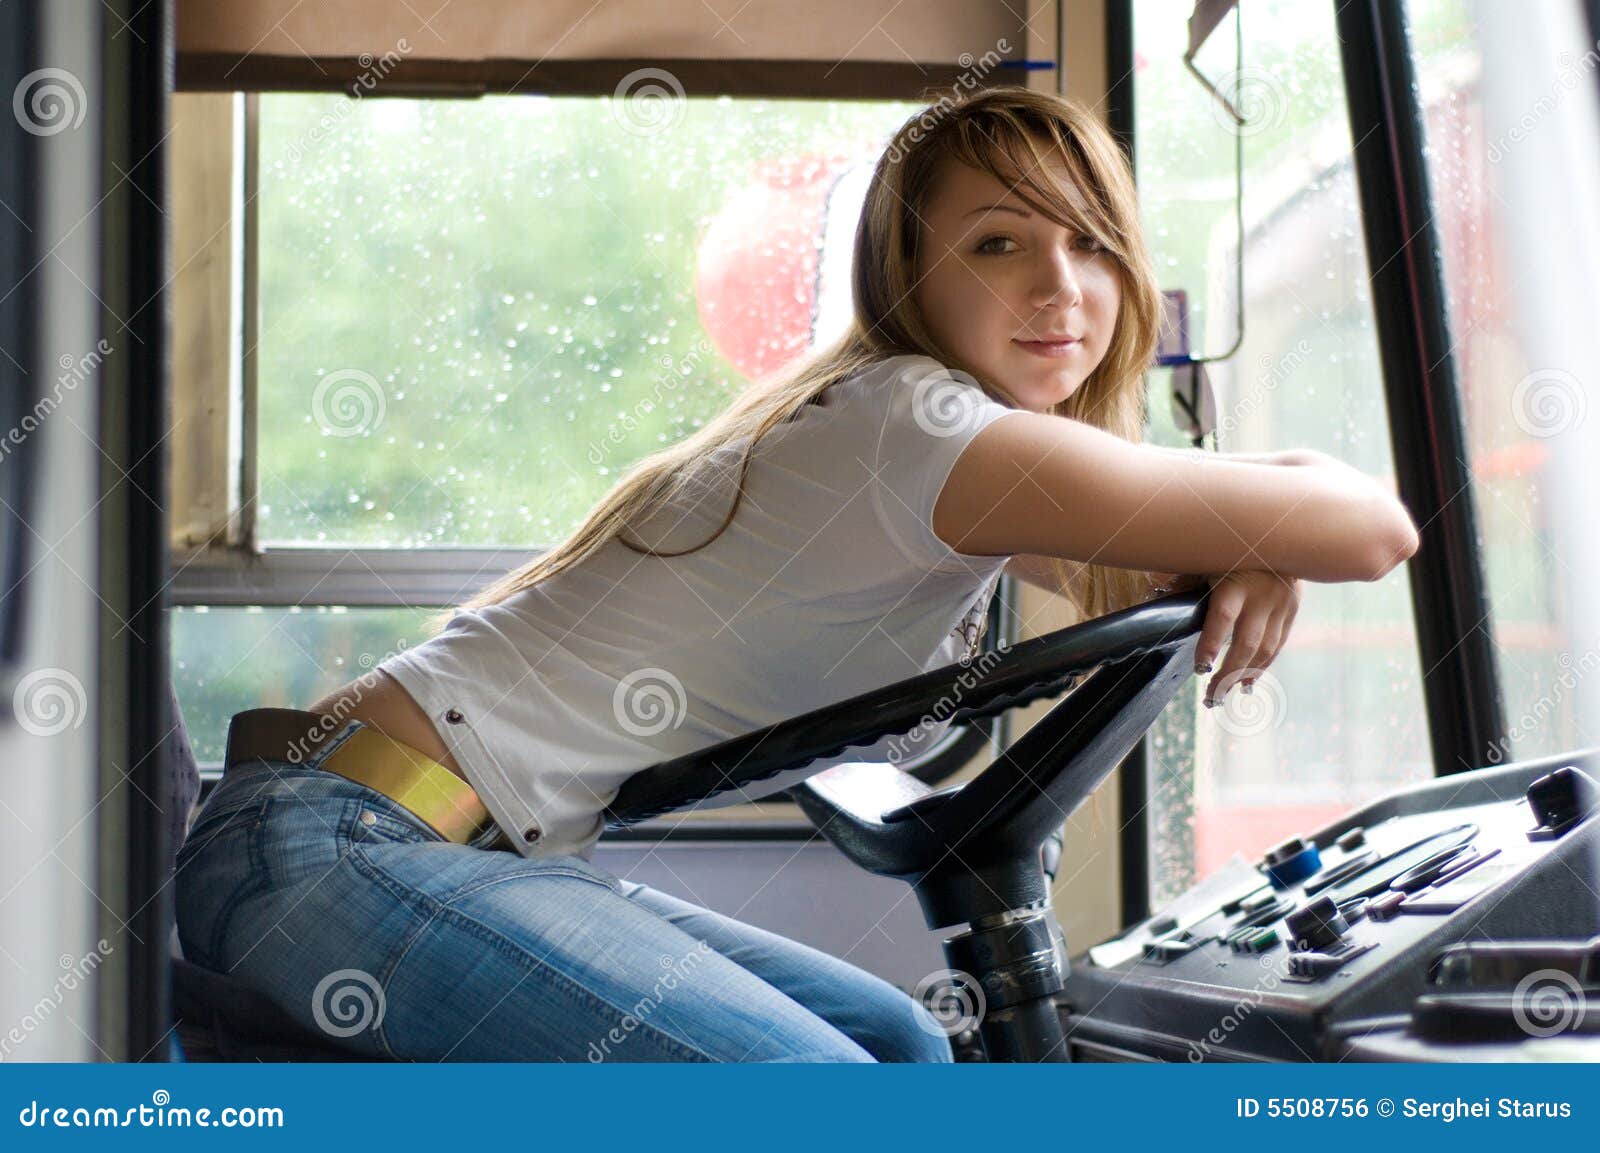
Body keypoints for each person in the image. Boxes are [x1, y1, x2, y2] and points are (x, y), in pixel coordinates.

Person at [174, 86, 1418, 1063]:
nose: (1060, 287)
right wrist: (1271, 537)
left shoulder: (952, 451)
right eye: (999, 244)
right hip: (334, 845)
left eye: (1092, 245)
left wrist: (1251, 544)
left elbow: (1250, 536)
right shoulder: (928, 432)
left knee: (898, 1045)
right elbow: (1370, 528)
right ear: (912, 280)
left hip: (447, 851)